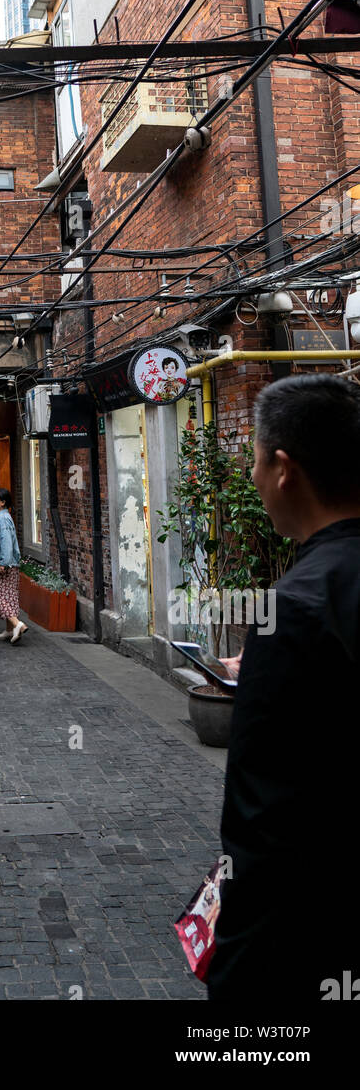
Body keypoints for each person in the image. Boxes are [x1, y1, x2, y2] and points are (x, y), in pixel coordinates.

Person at [206, 375, 360, 1002]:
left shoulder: (292, 607)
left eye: (255, 462)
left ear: (283, 468)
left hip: (317, 924)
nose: (252, 479)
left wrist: (236, 974)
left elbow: (262, 824)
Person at [0, 487, 27, 643]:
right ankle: (10, 629)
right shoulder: (5, 516)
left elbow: (5, 542)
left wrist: (3, 563)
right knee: (9, 596)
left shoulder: (1, 519)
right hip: (12, 563)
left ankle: (18, 625)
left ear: (3, 502)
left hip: (6, 564)